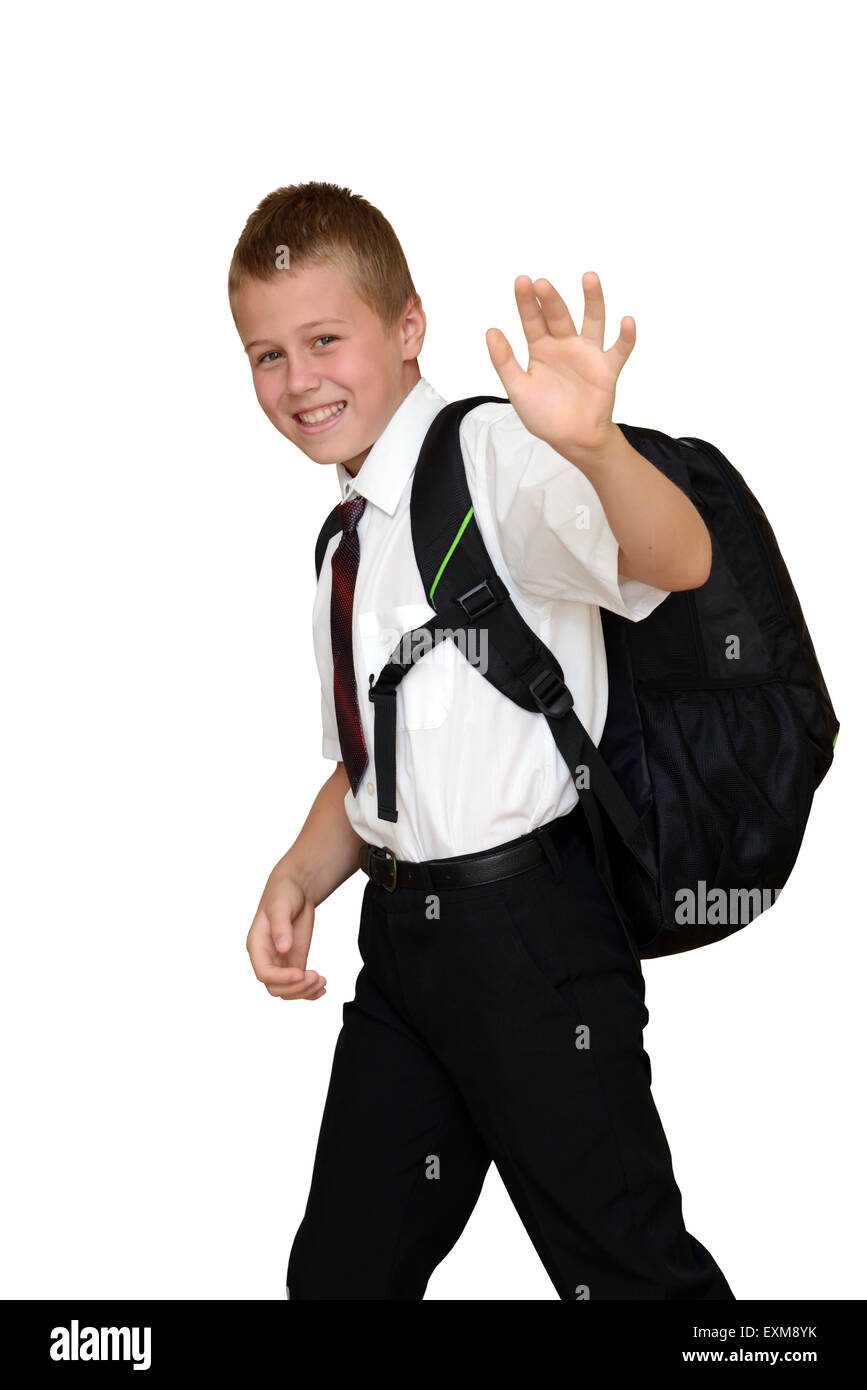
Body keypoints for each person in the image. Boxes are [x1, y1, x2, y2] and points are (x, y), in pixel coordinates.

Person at [229, 180, 735, 1301]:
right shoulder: (344, 540)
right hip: (403, 950)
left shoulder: (498, 459)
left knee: (631, 1279)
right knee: (342, 1280)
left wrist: (598, 449)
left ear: (409, 329)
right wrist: (299, 873)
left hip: (533, 941)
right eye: (267, 354)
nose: (298, 380)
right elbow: (372, 773)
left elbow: (679, 557)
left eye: (324, 339)